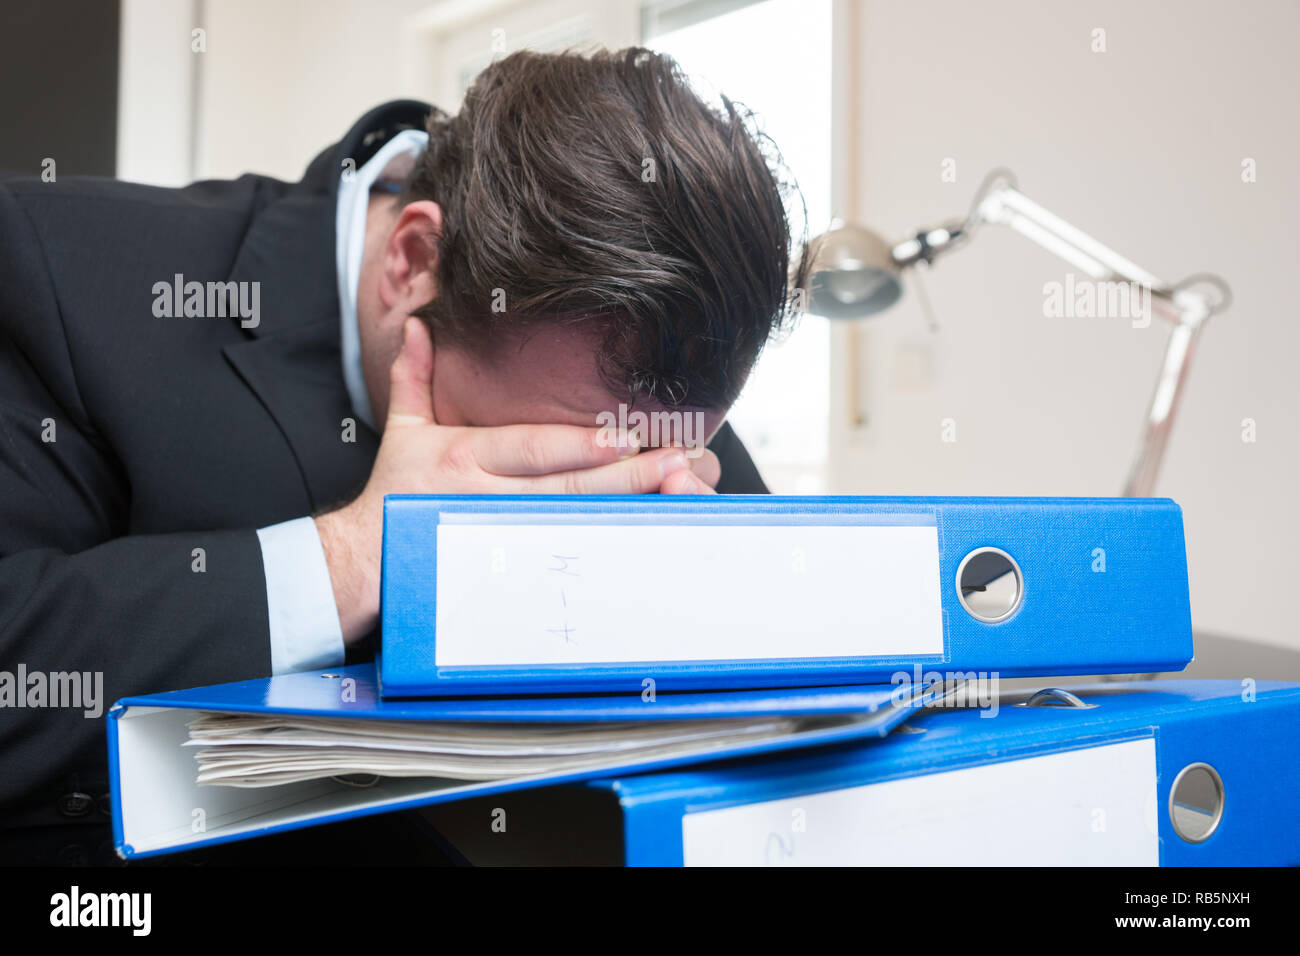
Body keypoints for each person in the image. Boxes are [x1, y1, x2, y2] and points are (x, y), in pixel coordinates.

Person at [0, 47, 808, 860]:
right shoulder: (49, 267)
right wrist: (349, 558)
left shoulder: (655, 353)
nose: (606, 483)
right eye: (554, 459)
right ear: (415, 261)